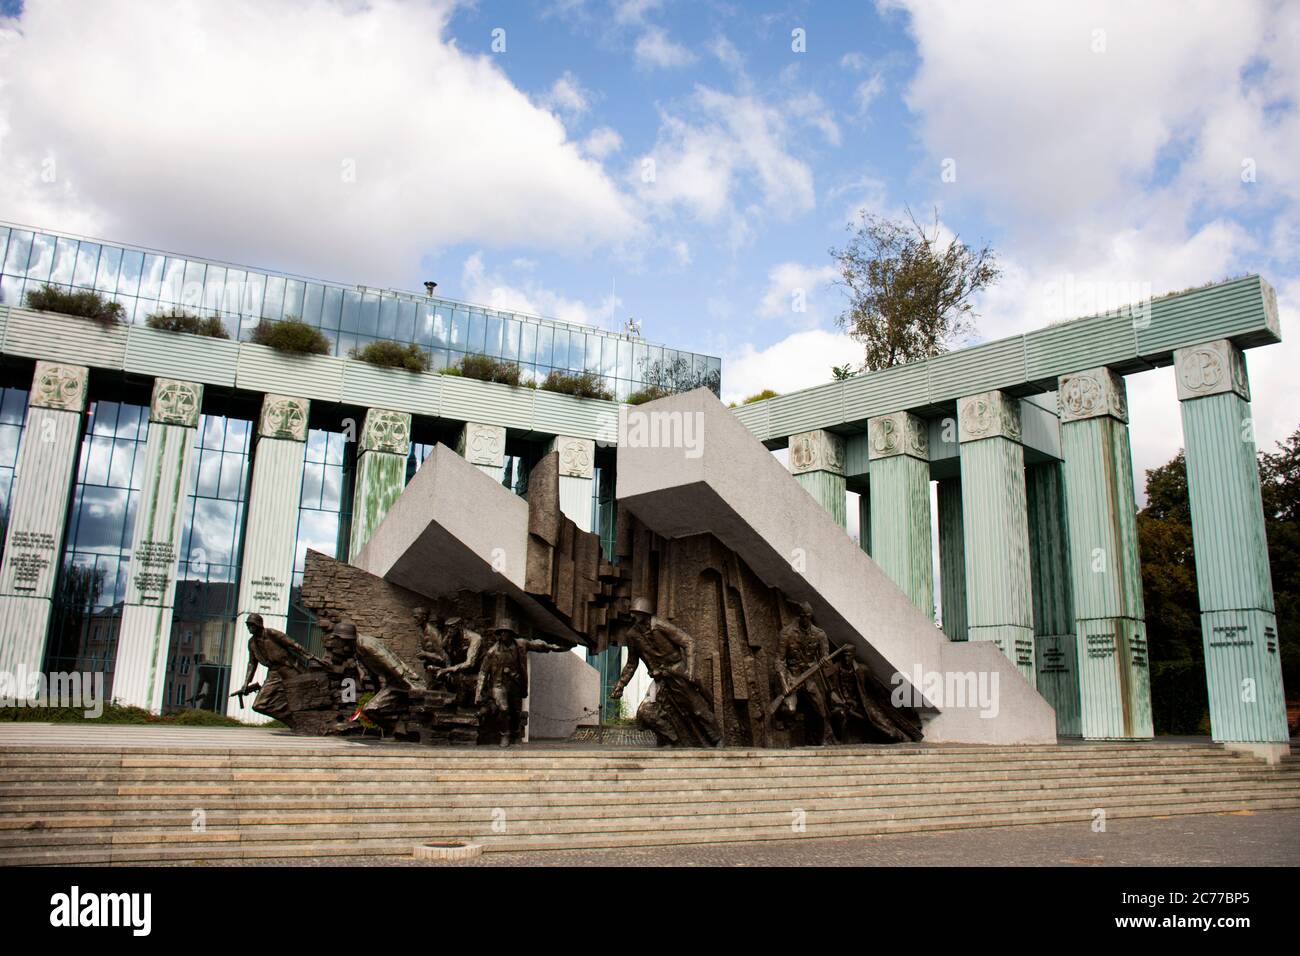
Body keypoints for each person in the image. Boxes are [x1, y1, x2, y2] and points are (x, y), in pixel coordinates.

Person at [610, 598, 721, 747]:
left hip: (677, 673)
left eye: (637, 613)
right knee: (646, 712)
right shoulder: (632, 635)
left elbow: (688, 642)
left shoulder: (661, 626)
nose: (634, 616)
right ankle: (671, 740)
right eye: (634, 613)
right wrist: (621, 685)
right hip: (660, 680)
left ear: (645, 613)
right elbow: (631, 663)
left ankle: (718, 739)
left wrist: (690, 669)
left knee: (698, 709)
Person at [475, 621, 567, 746]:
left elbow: (537, 645)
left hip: (515, 683)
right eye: (501, 632)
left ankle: (515, 735)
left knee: (515, 712)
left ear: (511, 633)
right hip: (498, 685)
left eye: (506, 632)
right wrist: (478, 693)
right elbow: (483, 672)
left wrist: (553, 647)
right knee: (504, 708)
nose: (503, 634)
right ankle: (504, 734)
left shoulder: (520, 645)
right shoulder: (492, 652)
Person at [234, 613, 320, 725]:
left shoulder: (271, 634)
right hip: (273, 673)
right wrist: (246, 683)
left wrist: (310, 657)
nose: (249, 628)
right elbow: (252, 663)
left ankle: (311, 719)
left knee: (308, 695)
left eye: (251, 625)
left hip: (290, 668)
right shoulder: (251, 643)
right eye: (248, 625)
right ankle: (293, 721)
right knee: (259, 705)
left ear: (258, 625)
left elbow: (293, 645)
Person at [775, 602, 837, 745]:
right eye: (803, 616)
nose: (805, 619)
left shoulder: (819, 634)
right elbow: (779, 660)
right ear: (799, 616)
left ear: (810, 616)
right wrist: (784, 683)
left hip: (810, 677)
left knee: (821, 710)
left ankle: (821, 741)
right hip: (792, 676)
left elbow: (825, 657)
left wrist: (824, 660)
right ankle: (783, 720)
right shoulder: (786, 633)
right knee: (790, 709)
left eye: (808, 616)